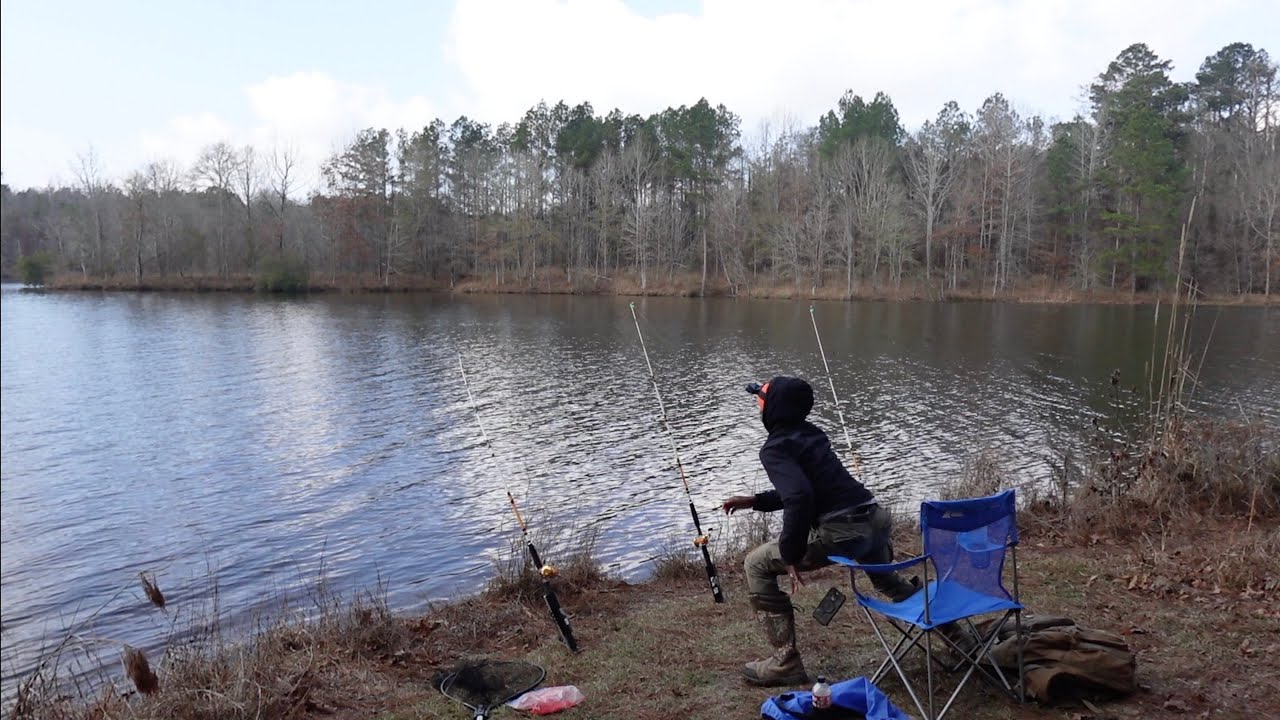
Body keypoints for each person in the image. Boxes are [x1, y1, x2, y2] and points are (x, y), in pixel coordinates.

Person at [722, 375, 917, 687]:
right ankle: (962, 639)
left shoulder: (774, 448)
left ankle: (785, 663)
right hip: (875, 519)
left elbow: (799, 497)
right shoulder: (812, 435)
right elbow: (810, 489)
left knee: (756, 563)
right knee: (888, 582)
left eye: (761, 399)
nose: (758, 404)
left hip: (845, 532)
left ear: (774, 408)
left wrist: (790, 553)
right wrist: (755, 501)